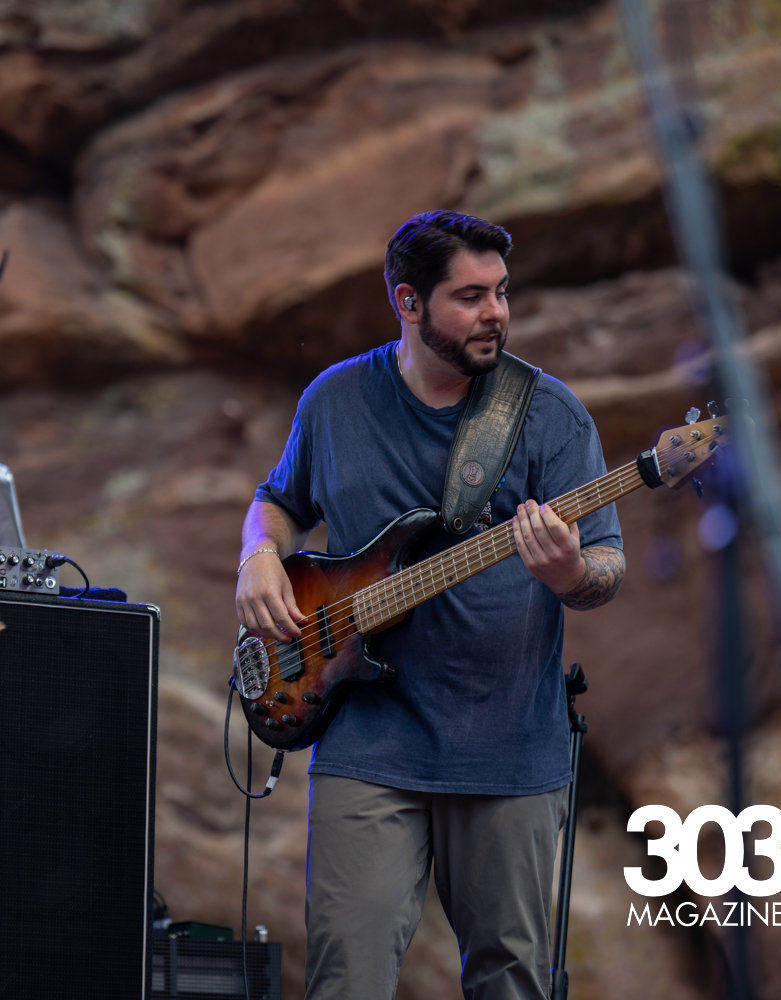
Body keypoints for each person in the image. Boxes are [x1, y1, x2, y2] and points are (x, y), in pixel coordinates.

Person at [235, 211, 625, 999]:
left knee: (510, 981)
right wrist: (256, 555)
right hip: (367, 741)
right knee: (345, 977)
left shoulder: (550, 415)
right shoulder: (335, 400)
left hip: (509, 747)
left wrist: (566, 573)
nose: (497, 314)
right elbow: (276, 502)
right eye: (471, 296)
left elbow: (608, 566)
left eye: (503, 293)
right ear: (407, 303)